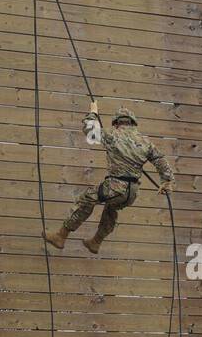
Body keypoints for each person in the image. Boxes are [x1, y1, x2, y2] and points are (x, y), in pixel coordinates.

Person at [45, 103, 174, 254]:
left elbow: (90, 131)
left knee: (87, 199)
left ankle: (61, 236)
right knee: (111, 208)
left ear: (116, 122)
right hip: (131, 193)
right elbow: (160, 160)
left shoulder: (112, 135)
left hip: (115, 186)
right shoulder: (145, 142)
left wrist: (93, 113)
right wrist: (166, 181)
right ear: (133, 122)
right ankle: (96, 242)